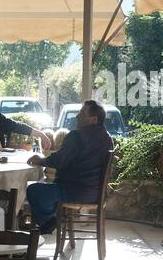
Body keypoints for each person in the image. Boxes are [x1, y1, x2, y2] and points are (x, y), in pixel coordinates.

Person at [25, 99, 114, 234]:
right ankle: (51, 219)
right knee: (47, 187)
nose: (77, 116)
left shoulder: (77, 136)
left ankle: (47, 221)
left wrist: (40, 161)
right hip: (95, 193)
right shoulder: (107, 138)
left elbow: (59, 160)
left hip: (74, 191)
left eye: (82, 113)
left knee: (33, 190)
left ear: (94, 119)